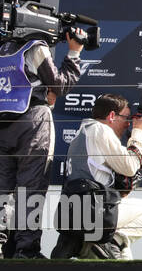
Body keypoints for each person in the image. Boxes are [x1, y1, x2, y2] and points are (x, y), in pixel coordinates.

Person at [0, 22, 83, 258]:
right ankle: (26, 249)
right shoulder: (35, 46)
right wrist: (75, 51)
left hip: (3, 123)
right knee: (32, 187)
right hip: (33, 123)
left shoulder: (3, 48)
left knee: (2, 192)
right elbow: (60, 84)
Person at [54, 94, 142, 259]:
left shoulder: (85, 132)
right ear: (112, 116)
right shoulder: (100, 129)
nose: (128, 125)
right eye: (126, 118)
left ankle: (99, 245)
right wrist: (138, 132)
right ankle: (110, 242)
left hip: (80, 212)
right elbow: (130, 167)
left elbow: (122, 189)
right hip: (94, 213)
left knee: (125, 255)